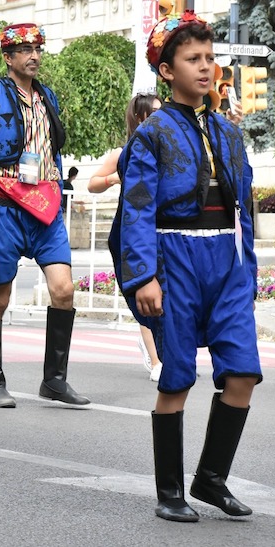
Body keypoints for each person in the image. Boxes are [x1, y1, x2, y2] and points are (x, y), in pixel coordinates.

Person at [110, 12, 261, 522]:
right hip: (174, 257)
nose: (205, 67)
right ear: (167, 71)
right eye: (193, 59)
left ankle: (212, 479)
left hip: (227, 259)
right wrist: (143, 275)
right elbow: (135, 209)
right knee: (175, 378)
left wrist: (249, 268)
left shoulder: (228, 131)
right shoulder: (151, 133)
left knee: (242, 373)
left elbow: (245, 207)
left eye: (209, 58)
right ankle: (170, 490)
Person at [0, 23, 89, 408]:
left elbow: (52, 151)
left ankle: (55, 380)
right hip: (2, 205)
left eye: (37, 49)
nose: (34, 56)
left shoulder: (48, 98)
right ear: (8, 58)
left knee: (64, 289)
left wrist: (59, 190)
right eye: (25, 50)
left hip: (45, 206)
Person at [88, 92, 164, 381]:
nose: (161, 116)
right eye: (155, 112)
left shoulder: (165, 148)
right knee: (142, 288)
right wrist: (114, 178)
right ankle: (156, 361)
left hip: (158, 229)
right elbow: (93, 183)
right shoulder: (123, 153)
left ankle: (163, 353)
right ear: (141, 117)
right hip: (130, 230)